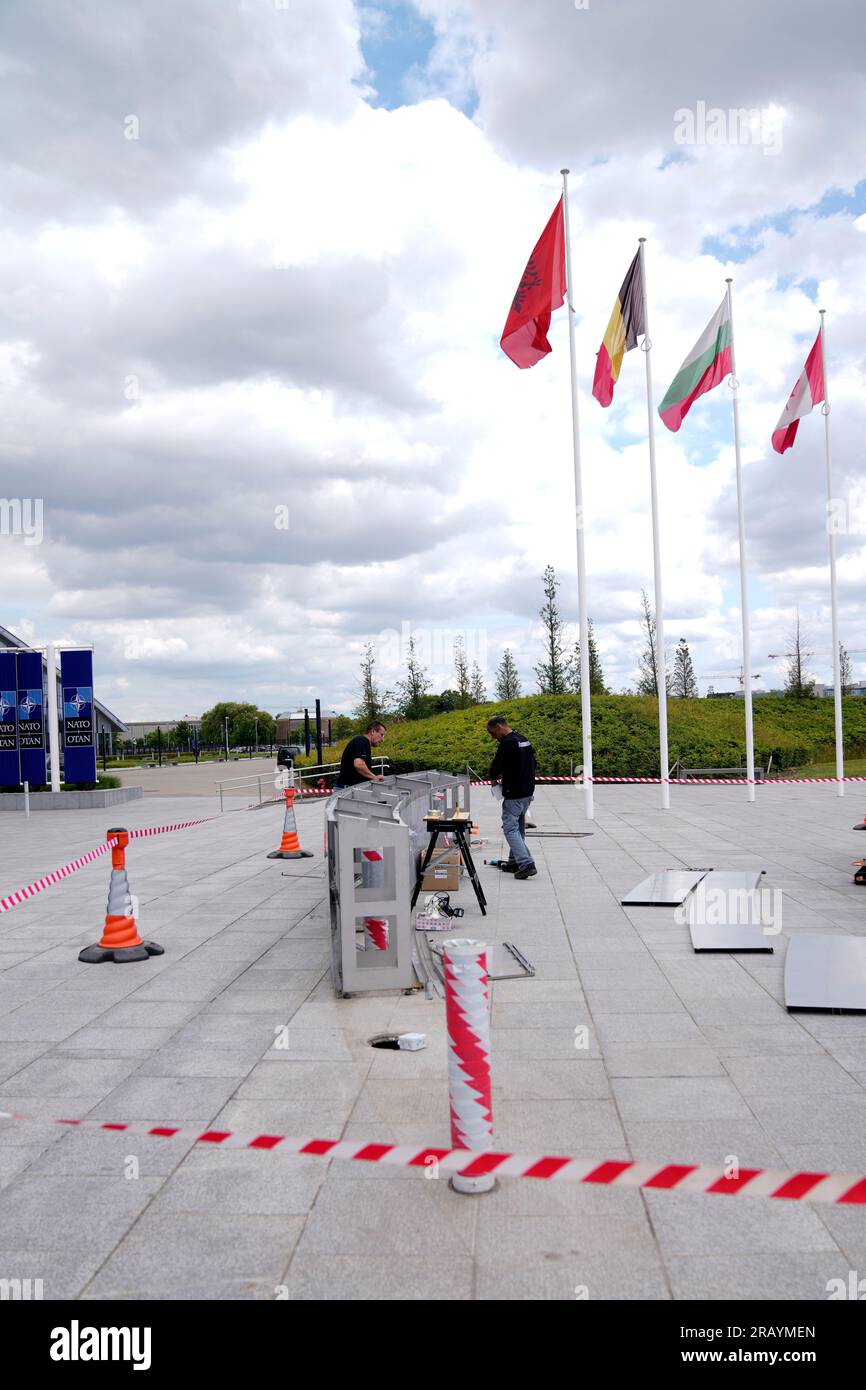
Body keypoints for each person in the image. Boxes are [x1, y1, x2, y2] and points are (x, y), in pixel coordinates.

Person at [486, 715, 537, 879]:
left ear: (499, 727)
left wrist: (494, 778)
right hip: (527, 792)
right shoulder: (523, 739)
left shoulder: (507, 743)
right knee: (519, 828)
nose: (493, 737)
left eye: (492, 733)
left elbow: (496, 766)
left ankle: (526, 863)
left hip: (514, 793)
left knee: (510, 829)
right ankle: (514, 861)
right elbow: (534, 764)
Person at [334, 720, 386, 789]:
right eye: (381, 735)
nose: (383, 739)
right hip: (347, 790)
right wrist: (374, 777)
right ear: (373, 731)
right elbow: (359, 764)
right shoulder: (362, 741)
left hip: (347, 788)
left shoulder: (362, 742)